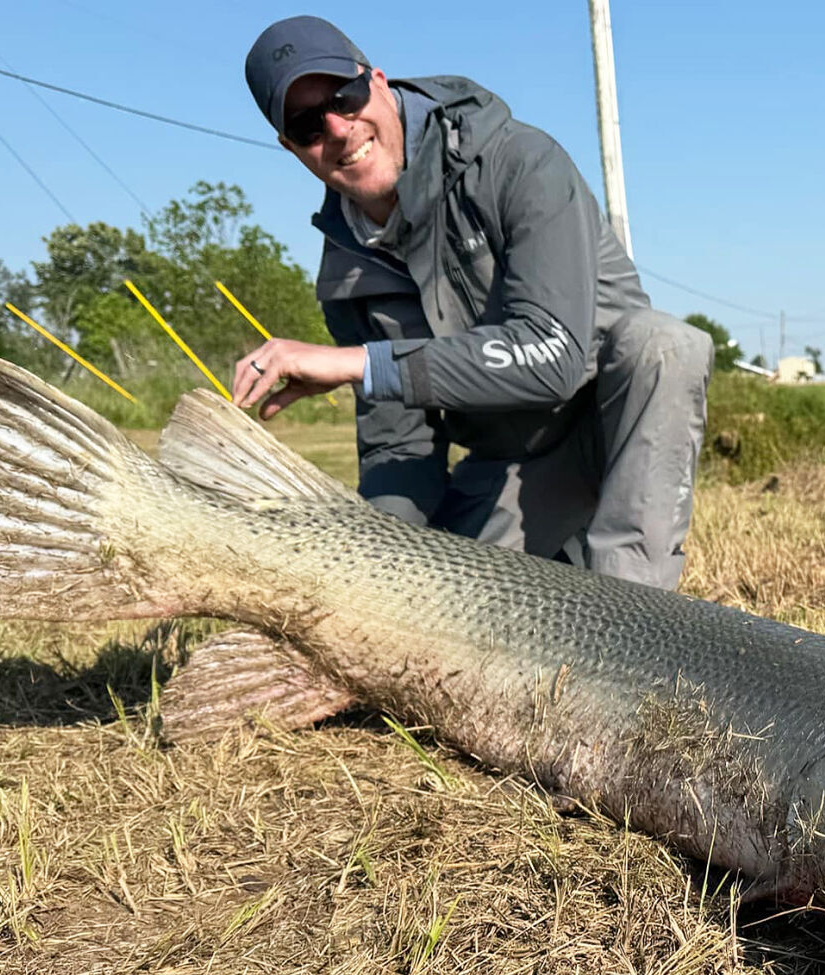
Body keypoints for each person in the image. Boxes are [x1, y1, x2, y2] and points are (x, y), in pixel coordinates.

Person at [235, 15, 712, 590]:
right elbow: (399, 443)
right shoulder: (346, 272)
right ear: (292, 148)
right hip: (511, 464)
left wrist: (358, 364)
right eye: (309, 124)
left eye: (346, 96)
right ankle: (562, 561)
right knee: (434, 599)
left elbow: (554, 357)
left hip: (608, 430)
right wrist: (379, 571)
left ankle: (635, 616)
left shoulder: (521, 163)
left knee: (664, 346)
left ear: (379, 83)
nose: (338, 128)